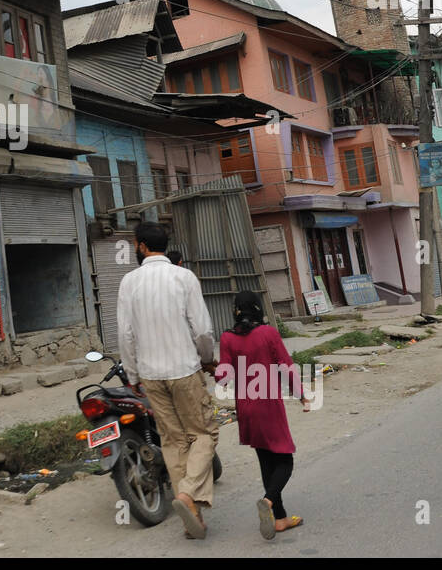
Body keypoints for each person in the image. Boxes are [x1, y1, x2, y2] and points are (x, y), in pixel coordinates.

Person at [116, 221, 218, 540]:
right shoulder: (183, 277)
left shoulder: (129, 282)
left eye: (135, 244)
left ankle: (195, 518)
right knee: (203, 434)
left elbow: (125, 335)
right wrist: (206, 358)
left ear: (143, 247)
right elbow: (201, 330)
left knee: (173, 441)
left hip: (151, 375)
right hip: (184, 369)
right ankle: (187, 495)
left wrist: (133, 375)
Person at [215, 291, 311, 539]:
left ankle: (280, 519)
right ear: (258, 308)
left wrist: (214, 369)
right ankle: (269, 501)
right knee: (285, 459)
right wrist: (301, 394)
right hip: (268, 405)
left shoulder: (227, 338)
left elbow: (223, 376)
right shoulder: (268, 333)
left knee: (266, 462)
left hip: (246, 409)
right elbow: (286, 366)